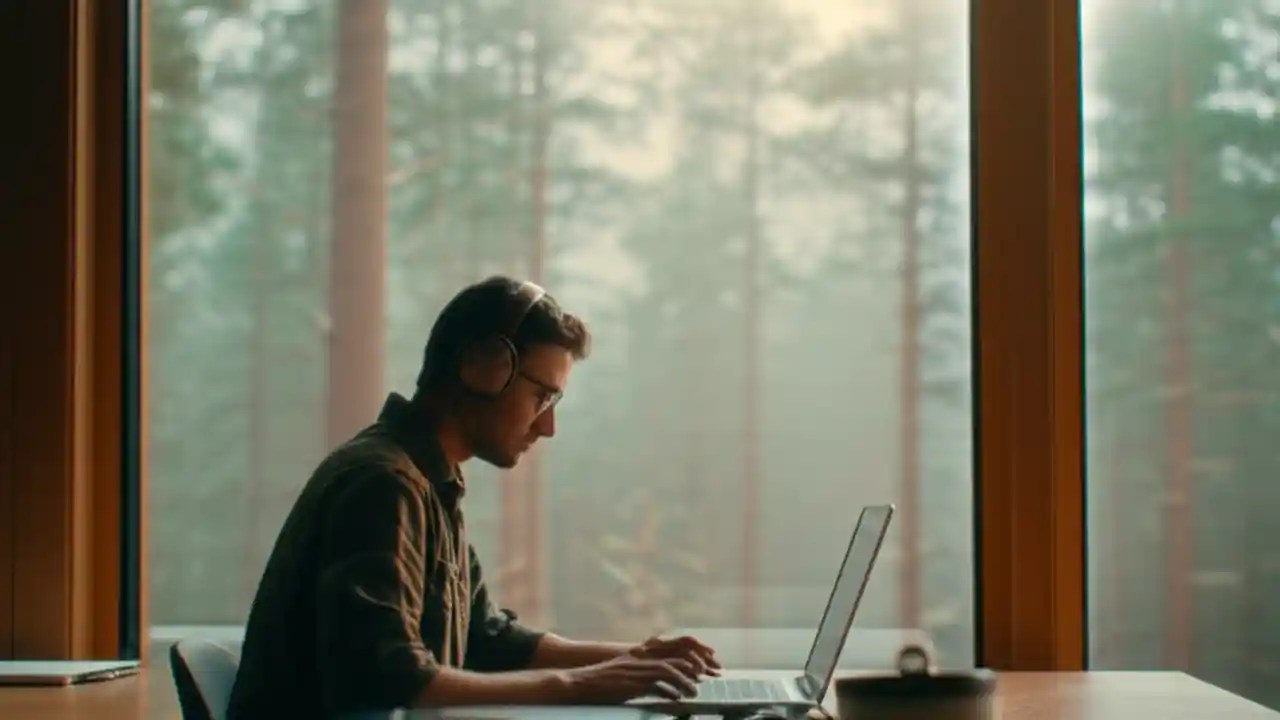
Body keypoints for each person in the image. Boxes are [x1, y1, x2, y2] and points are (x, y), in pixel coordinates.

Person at [226, 276, 721, 720]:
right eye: (542, 397)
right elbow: (386, 677)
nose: (548, 426)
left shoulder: (424, 481)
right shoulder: (382, 484)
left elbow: (486, 638)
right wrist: (577, 686)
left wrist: (634, 659)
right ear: (484, 370)